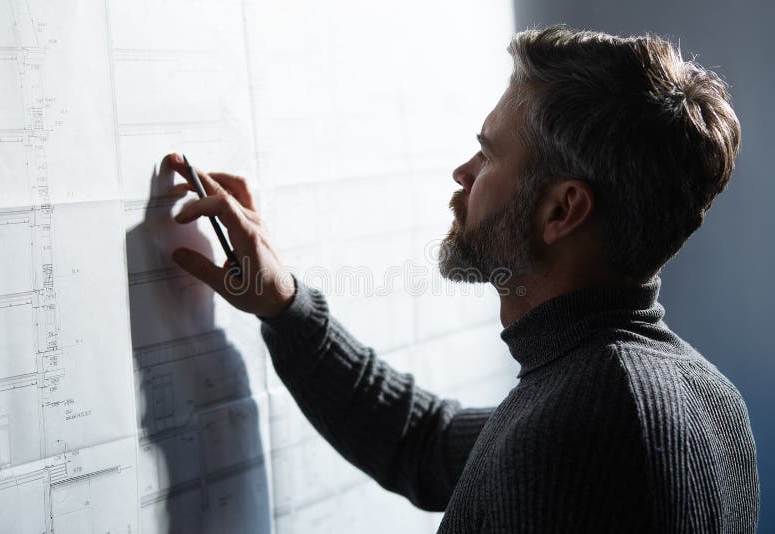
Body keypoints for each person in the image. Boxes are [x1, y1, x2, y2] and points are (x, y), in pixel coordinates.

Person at [163, 25, 759, 533]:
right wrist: (285, 305)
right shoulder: (702, 397)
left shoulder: (593, 419)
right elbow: (425, 442)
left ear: (561, 211)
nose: (463, 171)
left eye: (489, 154)